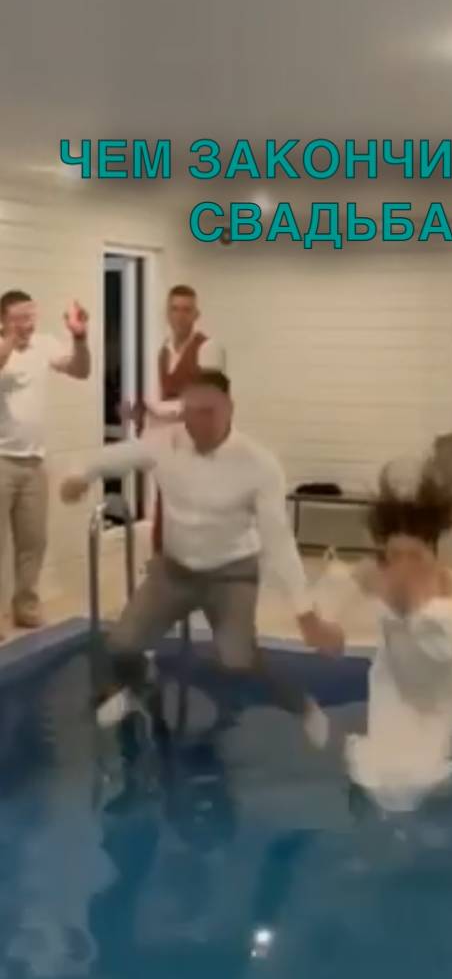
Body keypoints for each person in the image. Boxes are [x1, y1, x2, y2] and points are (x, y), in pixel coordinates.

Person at [61, 369, 343, 746]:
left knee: (238, 660)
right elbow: (112, 457)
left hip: (232, 574)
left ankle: (302, 706)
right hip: (174, 571)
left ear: (229, 409)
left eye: (208, 412)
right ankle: (140, 687)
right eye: (190, 411)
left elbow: (278, 540)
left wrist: (305, 613)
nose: (198, 422)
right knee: (122, 644)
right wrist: (79, 476)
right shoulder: (165, 443)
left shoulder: (258, 463)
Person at [314, 458, 452, 812]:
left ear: (432, 554)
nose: (404, 564)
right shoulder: (376, 573)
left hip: (436, 684)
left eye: (414, 556)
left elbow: (449, 633)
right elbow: (334, 592)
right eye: (396, 555)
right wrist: (328, 625)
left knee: (423, 775)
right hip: (393, 677)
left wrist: (414, 605)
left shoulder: (446, 581)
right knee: (377, 771)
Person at [0, 290, 90, 637]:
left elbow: (81, 371)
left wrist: (79, 339)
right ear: (3, 320)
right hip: (1, 460)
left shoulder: (44, 344)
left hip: (34, 462)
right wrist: (11, 340)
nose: (28, 324)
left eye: (31, 316)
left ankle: (26, 607)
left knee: (33, 542)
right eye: (19, 318)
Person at [123, 284, 226, 553]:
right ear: (167, 314)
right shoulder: (164, 351)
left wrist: (161, 409)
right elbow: (162, 395)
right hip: (170, 443)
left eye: (186, 310)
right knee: (167, 502)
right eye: (175, 309)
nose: (180, 316)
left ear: (196, 314)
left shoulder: (208, 348)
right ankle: (164, 561)